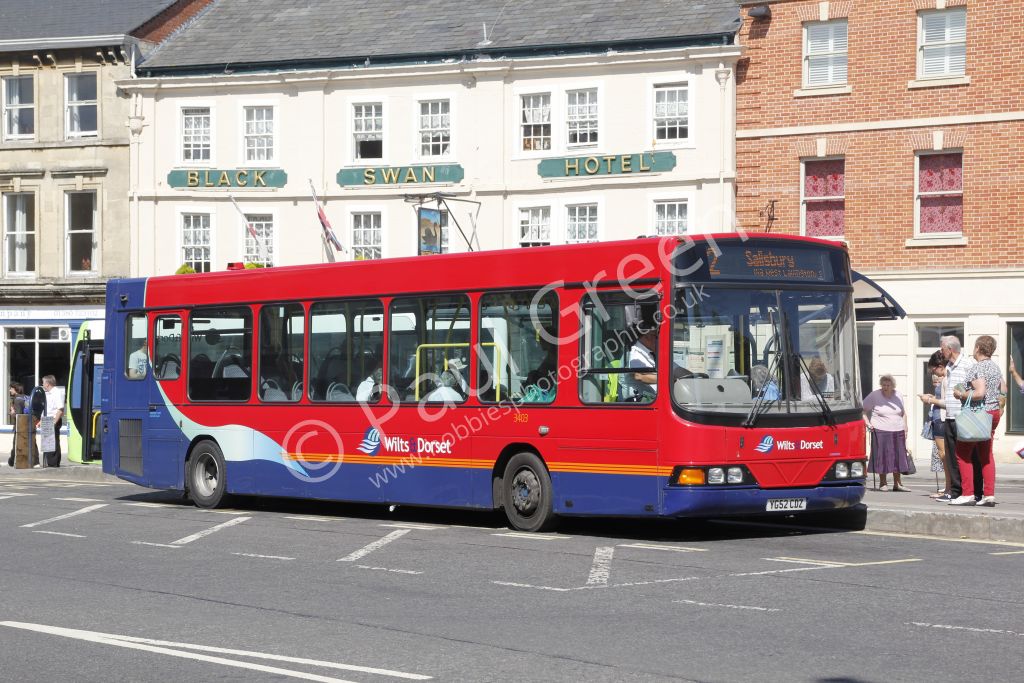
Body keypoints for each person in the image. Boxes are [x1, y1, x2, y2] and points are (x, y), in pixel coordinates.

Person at [949, 335, 1001, 506]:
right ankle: (989, 495)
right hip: (992, 413)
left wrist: (960, 394)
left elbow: (979, 393)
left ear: (978, 348)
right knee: (986, 455)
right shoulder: (995, 367)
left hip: (977, 415)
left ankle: (968, 494)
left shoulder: (977, 368)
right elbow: (1004, 389)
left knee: (962, 453)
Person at [940, 335, 978, 501]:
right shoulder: (949, 365)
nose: (941, 352)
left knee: (968, 455)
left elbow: (977, 388)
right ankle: (956, 491)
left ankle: (973, 491)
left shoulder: (968, 364)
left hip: (964, 415)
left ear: (950, 349)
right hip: (950, 415)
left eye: (942, 349)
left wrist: (962, 394)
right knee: (952, 456)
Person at [863, 374, 911, 492]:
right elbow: (862, 410)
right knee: (882, 456)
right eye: (883, 385)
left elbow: (903, 413)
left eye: (888, 385)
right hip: (880, 429)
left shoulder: (898, 395)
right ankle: (883, 483)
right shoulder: (874, 395)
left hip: (898, 429)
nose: (885, 387)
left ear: (892, 386)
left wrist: (905, 426)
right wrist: (868, 423)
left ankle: (897, 483)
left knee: (898, 456)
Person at [919, 351, 949, 499]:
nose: (933, 372)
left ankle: (950, 488)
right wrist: (932, 397)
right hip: (939, 419)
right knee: (943, 455)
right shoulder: (944, 378)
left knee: (944, 455)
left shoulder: (946, 379)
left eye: (933, 369)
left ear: (939, 366)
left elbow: (947, 403)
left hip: (942, 420)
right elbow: (942, 398)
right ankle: (949, 487)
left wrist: (929, 400)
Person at [7, 381, 37, 468]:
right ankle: (35, 461)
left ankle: (12, 461)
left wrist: (12, 413)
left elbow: (18, 415)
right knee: (31, 443)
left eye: (11, 388)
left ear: (15, 389)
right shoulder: (26, 397)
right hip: (29, 425)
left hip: (20, 426)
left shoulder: (17, 399)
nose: (9, 390)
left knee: (16, 443)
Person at [40, 375, 65, 468]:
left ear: (47, 383)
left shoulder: (56, 392)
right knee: (48, 442)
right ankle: (50, 462)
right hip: (47, 419)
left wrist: (54, 422)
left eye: (43, 382)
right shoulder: (49, 393)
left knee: (52, 441)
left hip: (52, 420)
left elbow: (60, 409)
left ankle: (53, 463)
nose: (42, 384)